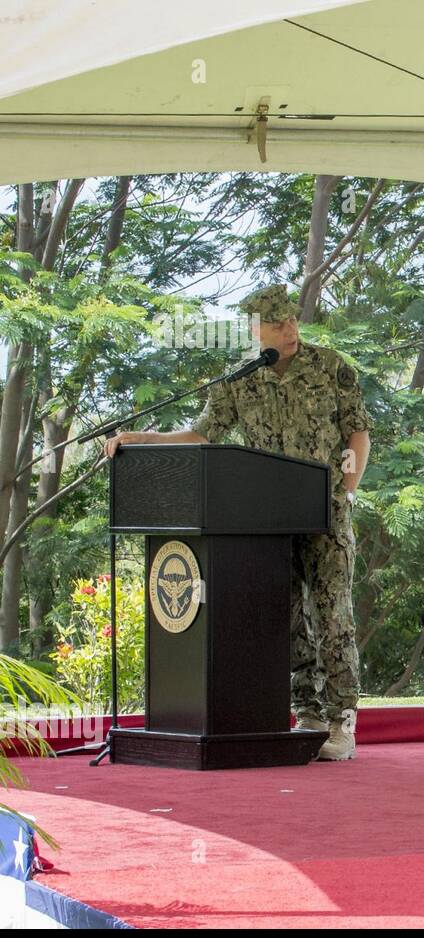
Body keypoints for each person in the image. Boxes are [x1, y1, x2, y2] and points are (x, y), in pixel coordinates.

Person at [105, 283, 372, 762]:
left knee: (332, 614)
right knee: (285, 615)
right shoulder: (239, 380)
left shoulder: (332, 367)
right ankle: (306, 712)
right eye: (278, 324)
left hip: (327, 511)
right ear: (255, 331)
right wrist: (137, 437)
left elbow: (357, 431)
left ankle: (341, 720)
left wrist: (347, 490)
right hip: (265, 518)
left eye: (292, 320)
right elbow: (200, 434)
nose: (290, 329)